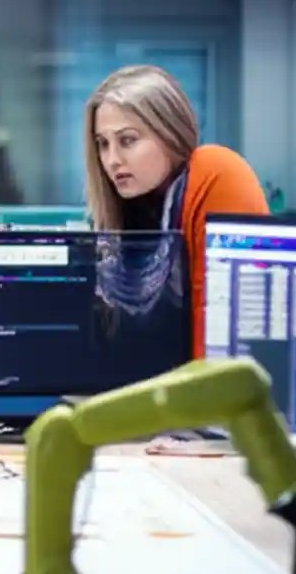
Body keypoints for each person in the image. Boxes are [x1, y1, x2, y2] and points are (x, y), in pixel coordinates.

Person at [83, 64, 269, 359]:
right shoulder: (126, 215)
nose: (112, 160)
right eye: (103, 144)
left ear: (170, 132)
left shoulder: (215, 173)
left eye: (127, 140)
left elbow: (220, 349)